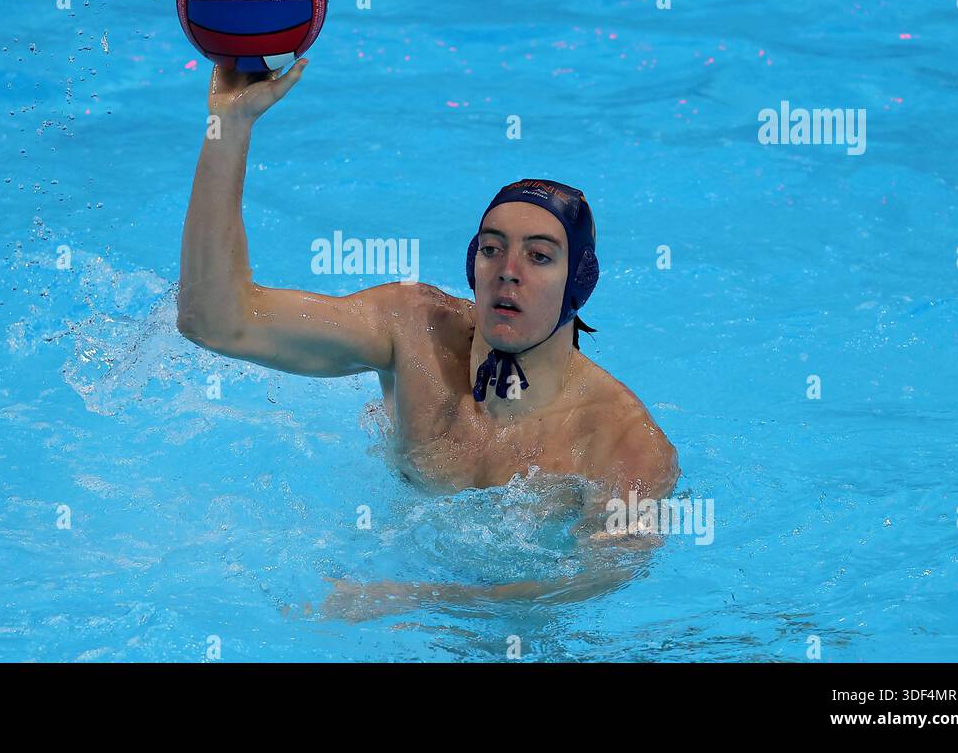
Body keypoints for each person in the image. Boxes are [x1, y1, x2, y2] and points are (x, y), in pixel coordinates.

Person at [178, 60, 680, 619]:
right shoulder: (413, 330)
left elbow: (596, 581)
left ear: (579, 282)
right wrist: (229, 127)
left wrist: (417, 601)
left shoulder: (625, 446)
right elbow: (215, 320)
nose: (508, 270)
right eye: (491, 248)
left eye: (539, 256)